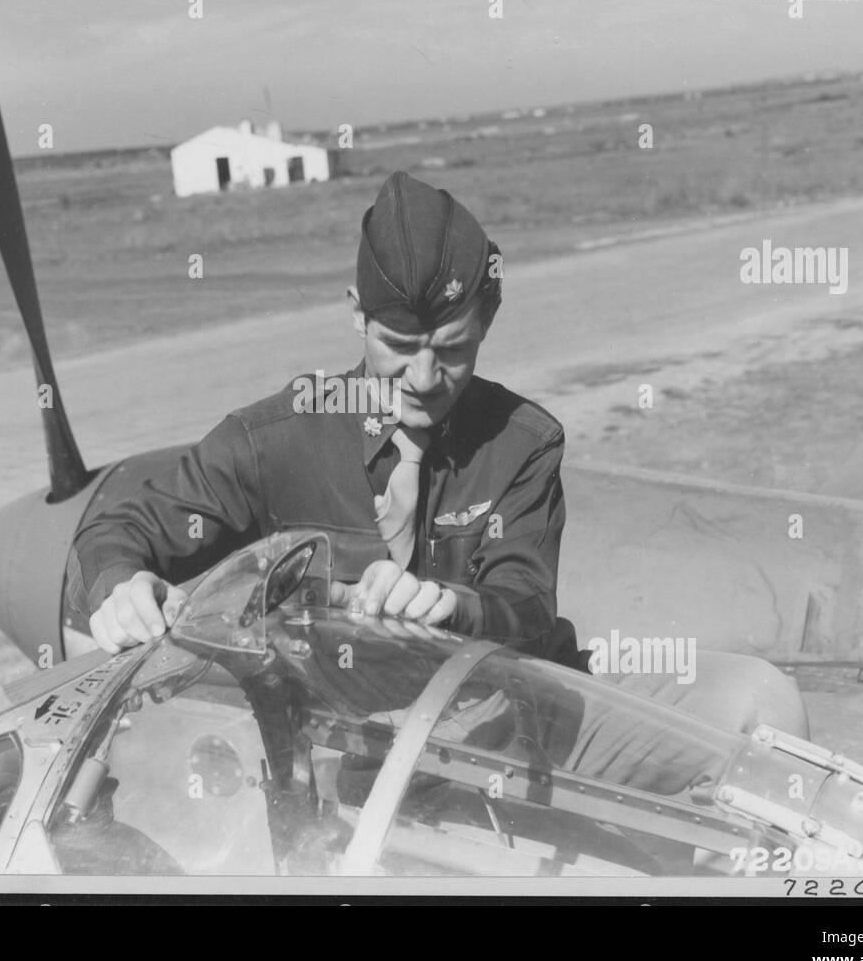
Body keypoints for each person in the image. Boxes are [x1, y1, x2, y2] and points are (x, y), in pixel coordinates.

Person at [66, 171, 807, 741]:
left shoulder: (522, 441)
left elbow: (525, 606)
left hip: (510, 715)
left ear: (489, 320)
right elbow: (118, 529)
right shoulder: (274, 439)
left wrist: (453, 608)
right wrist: (118, 582)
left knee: (757, 705)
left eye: (453, 351)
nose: (424, 381)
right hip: (344, 745)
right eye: (399, 348)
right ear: (355, 313)